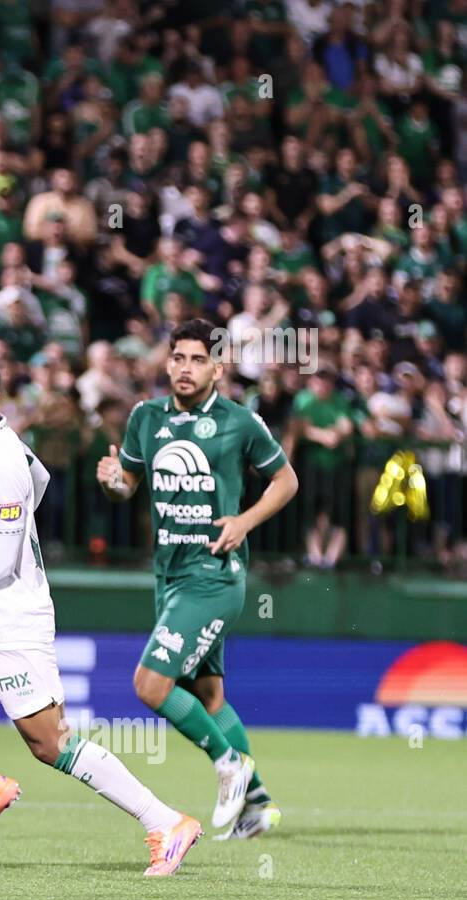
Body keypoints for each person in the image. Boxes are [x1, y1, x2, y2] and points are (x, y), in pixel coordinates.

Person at [0, 353, 204, 877]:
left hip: (11, 618)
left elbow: (2, 559)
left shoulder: (0, 460)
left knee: (50, 745)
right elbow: (42, 475)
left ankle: (166, 822)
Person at [96, 318, 299, 839]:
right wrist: (113, 482)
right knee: (207, 695)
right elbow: (129, 485)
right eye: (179, 359)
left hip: (214, 575)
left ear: (218, 368)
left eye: (198, 360)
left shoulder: (238, 422)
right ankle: (257, 805)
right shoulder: (146, 417)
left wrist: (244, 521)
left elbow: (286, 480)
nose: (186, 370)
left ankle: (229, 763)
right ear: (167, 363)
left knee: (150, 685)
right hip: (169, 574)